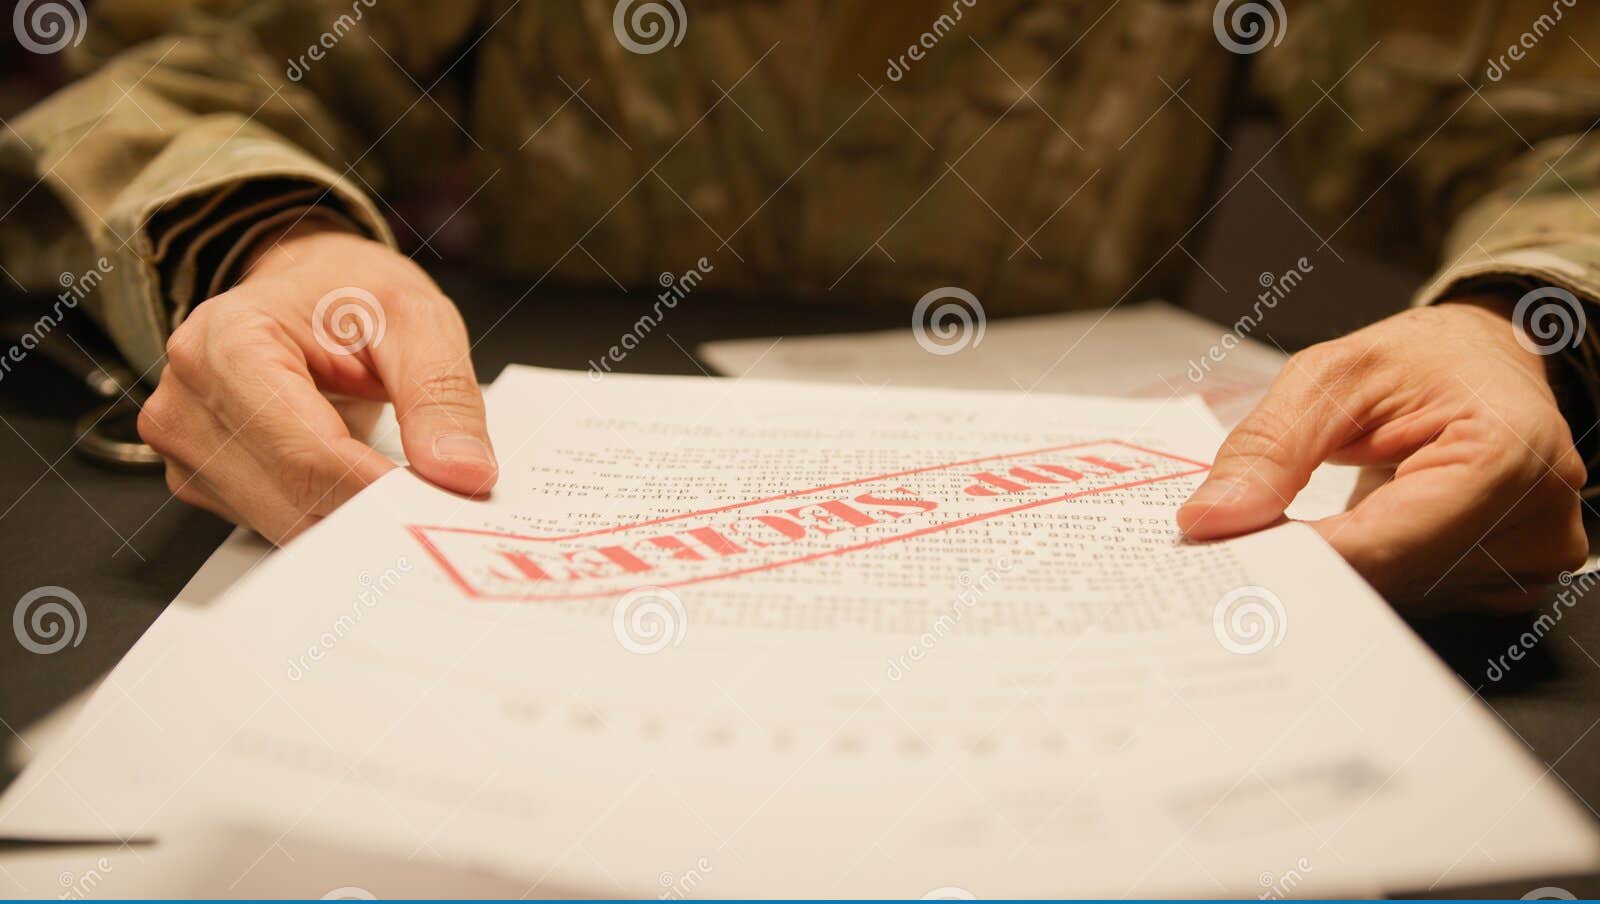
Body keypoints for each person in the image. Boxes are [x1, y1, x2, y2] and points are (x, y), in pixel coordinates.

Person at [1, 0, 1595, 613]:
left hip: (1103, 523)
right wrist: (271, 245)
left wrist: (1515, 320)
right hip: (531, 465)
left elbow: (1550, 127)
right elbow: (182, 65)